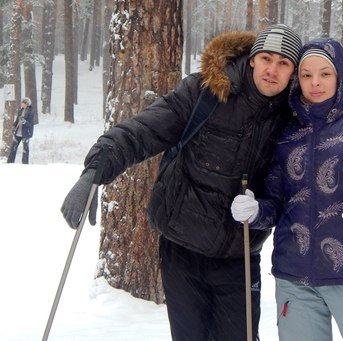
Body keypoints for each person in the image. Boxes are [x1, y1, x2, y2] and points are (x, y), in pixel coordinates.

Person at [60, 24, 303, 341]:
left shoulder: (293, 117)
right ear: (253, 58)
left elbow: (321, 155)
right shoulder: (207, 91)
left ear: (293, 71)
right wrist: (95, 171)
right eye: (267, 58)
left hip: (238, 255)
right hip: (182, 248)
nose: (272, 70)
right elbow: (142, 131)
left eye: (283, 63)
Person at [231, 37, 343, 341]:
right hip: (294, 275)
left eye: (325, 73)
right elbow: (275, 202)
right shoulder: (285, 130)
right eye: (306, 75)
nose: (315, 82)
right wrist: (255, 212)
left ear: (340, 76)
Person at [7, 97, 34, 164]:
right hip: (18, 133)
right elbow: (17, 120)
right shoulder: (20, 111)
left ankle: (25, 164)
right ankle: (10, 162)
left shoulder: (30, 112)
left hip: (26, 133)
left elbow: (30, 124)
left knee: (25, 149)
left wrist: (24, 121)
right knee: (13, 147)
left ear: (26, 104)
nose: (21, 104)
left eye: (22, 103)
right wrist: (13, 127)